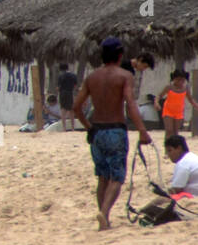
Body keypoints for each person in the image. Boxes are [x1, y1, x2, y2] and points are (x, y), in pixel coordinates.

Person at [72, 37, 152, 231]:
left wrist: (88, 126)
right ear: (120, 55)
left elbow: (76, 107)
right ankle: (104, 213)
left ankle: (104, 219)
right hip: (115, 129)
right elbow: (131, 104)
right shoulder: (125, 76)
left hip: (97, 131)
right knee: (116, 177)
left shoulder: (92, 77)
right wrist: (142, 130)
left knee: (102, 177)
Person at [160, 70, 198, 137]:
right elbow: (159, 96)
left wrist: (196, 105)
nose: (180, 82)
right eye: (178, 80)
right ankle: (167, 145)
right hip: (168, 110)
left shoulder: (185, 89)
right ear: (173, 79)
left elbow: (190, 99)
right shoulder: (169, 87)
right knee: (169, 130)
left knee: (175, 132)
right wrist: (156, 102)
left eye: (182, 80)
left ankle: (174, 146)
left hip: (179, 112)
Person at [56, 64, 78, 131]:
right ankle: (73, 128)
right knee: (71, 110)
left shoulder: (60, 76)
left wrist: (58, 91)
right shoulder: (73, 75)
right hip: (70, 92)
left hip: (62, 93)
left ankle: (64, 128)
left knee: (63, 109)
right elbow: (75, 85)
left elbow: (58, 87)